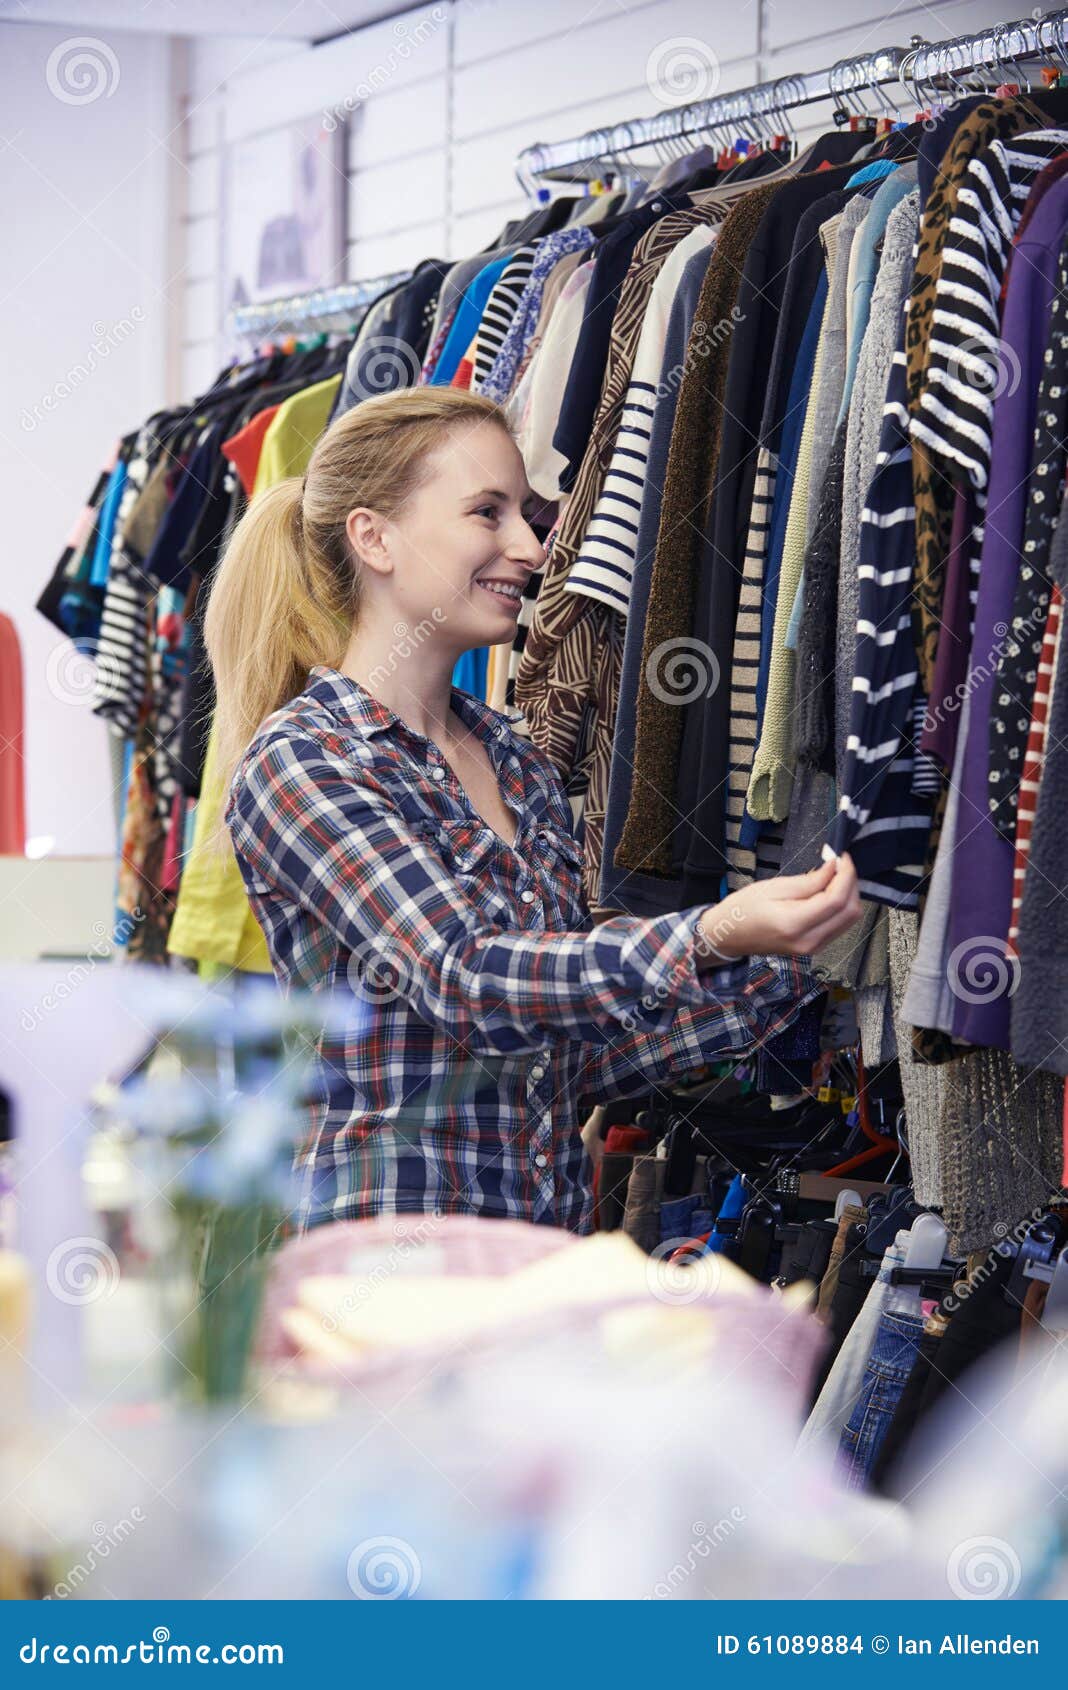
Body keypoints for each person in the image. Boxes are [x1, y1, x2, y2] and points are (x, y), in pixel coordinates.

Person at [207, 386, 862, 1234]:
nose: (531, 545)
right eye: (488, 512)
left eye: (527, 513)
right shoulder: (306, 761)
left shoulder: (515, 761)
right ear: (374, 537)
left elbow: (565, 1056)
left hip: (542, 1258)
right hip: (394, 1270)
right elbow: (465, 979)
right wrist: (709, 932)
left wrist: (795, 967)